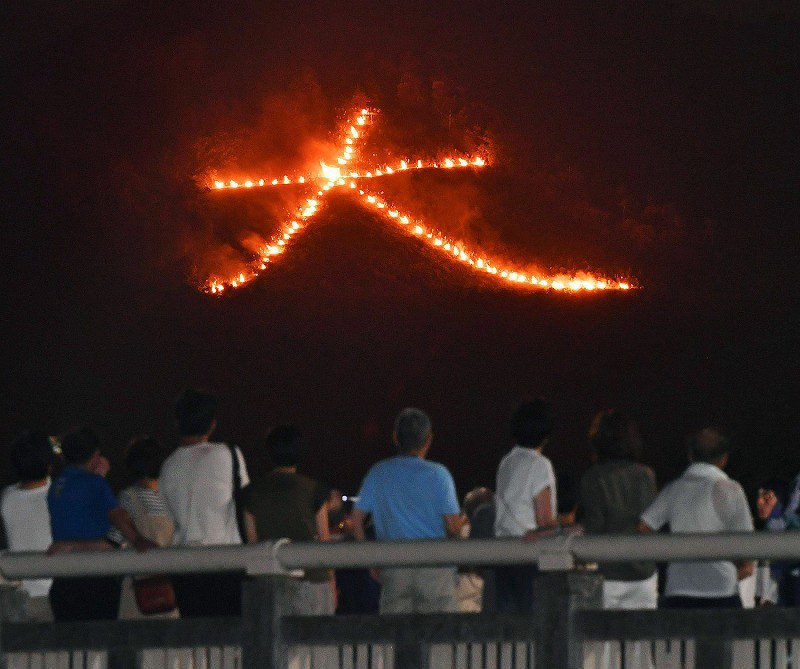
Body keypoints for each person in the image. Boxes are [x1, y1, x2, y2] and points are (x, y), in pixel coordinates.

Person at [351, 407, 464, 613]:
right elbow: (453, 527)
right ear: (429, 439)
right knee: (440, 629)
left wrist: (370, 561)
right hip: (435, 568)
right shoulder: (439, 475)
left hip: (394, 566)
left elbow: (356, 520)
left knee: (397, 629)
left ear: (395, 437)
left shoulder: (378, 473)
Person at [241, 425, 335, 669]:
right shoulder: (314, 490)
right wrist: (332, 584)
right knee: (317, 653)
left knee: (277, 653)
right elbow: (324, 542)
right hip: (313, 579)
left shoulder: (251, 493)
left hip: (270, 582)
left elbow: (253, 542)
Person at [639, 427, 754, 608]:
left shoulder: (674, 489)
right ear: (724, 459)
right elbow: (748, 550)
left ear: (690, 456)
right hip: (722, 591)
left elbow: (643, 528)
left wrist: (669, 554)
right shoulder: (731, 490)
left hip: (678, 590)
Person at [47, 427, 155, 621]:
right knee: (101, 636)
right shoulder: (95, 484)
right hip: (96, 578)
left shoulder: (56, 485)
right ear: (95, 456)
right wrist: (137, 540)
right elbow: (118, 516)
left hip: (64, 578)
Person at [577, 410, 657, 669]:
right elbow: (651, 523)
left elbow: (594, 528)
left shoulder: (594, 478)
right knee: (640, 653)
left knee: (603, 654)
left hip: (607, 575)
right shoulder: (646, 475)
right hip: (643, 572)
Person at [159, 388, 249, 617]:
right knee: (231, 633)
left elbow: (169, 516)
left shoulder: (167, 467)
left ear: (177, 423)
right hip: (226, 563)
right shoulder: (228, 454)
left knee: (196, 634)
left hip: (184, 567)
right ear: (212, 424)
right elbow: (245, 501)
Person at [493, 398, 558, 613]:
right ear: (545, 434)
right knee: (533, 623)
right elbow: (544, 520)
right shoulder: (540, 464)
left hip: (502, 554)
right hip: (529, 556)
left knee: (509, 626)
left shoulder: (506, 462)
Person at [112, 436, 177, 619]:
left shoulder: (128, 498)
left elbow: (114, 539)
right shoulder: (173, 497)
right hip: (171, 588)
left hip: (139, 590)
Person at [1, 431, 55, 621]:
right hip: (54, 595)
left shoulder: (5, 498)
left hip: (16, 597)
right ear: (49, 464)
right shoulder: (59, 497)